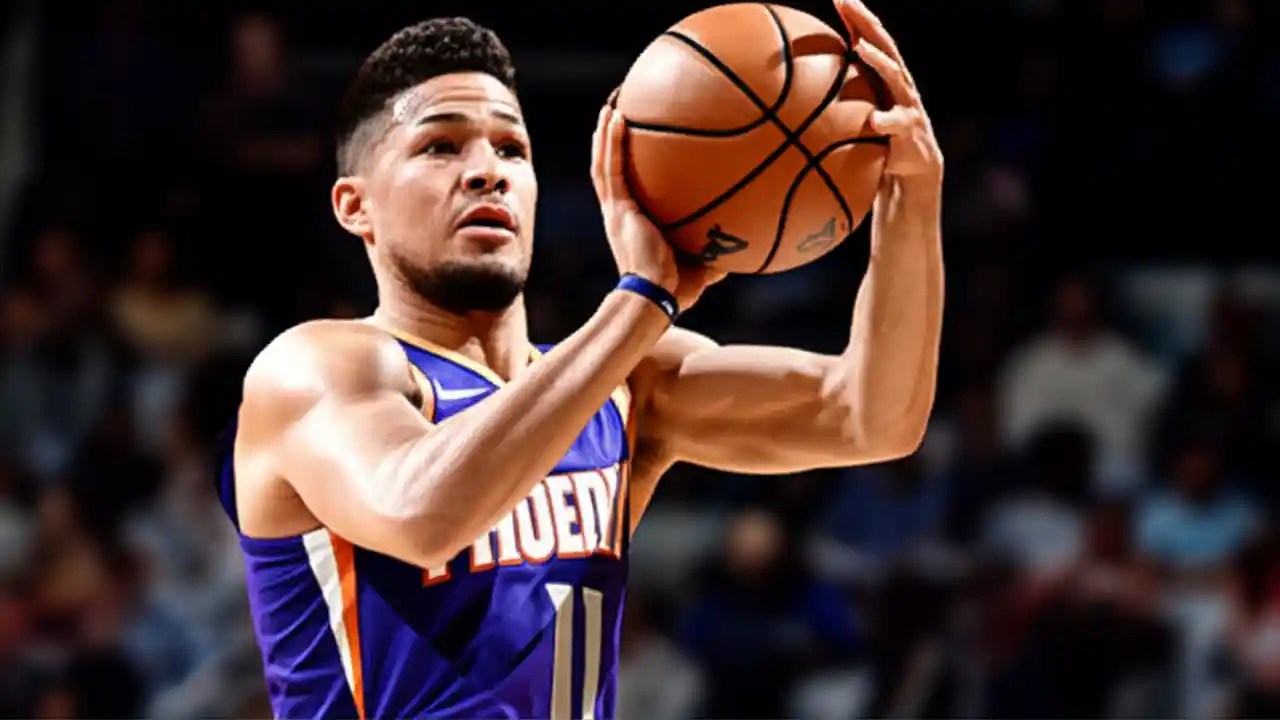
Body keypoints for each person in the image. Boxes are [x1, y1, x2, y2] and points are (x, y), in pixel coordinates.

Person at [215, 0, 944, 717]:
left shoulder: (625, 383)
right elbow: (423, 514)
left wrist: (910, 197)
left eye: (512, 149)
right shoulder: (314, 366)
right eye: (440, 146)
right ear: (355, 206)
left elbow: (872, 416)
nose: (486, 171)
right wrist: (640, 304)